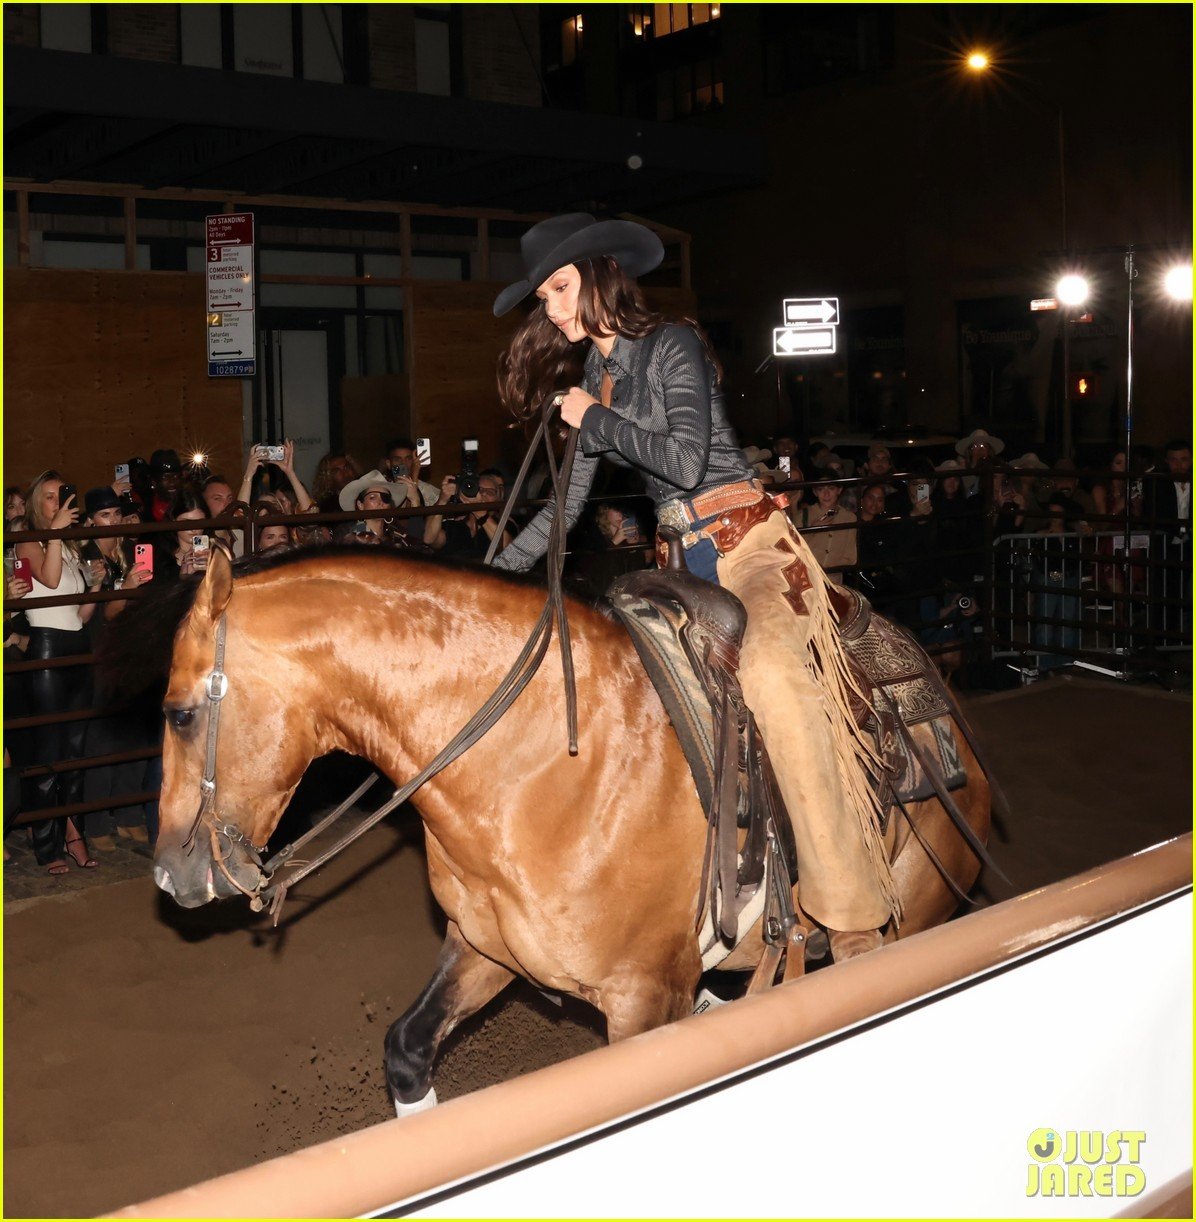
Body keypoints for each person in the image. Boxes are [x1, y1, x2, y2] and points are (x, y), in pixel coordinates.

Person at [489, 212, 897, 961]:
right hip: (678, 565)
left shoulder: (669, 344)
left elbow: (683, 461)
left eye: (558, 287)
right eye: (542, 295)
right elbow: (567, 510)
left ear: (600, 275)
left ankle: (851, 909)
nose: (548, 307)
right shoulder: (593, 377)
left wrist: (597, 420)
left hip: (750, 545)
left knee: (772, 673)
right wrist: (490, 574)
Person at [15, 471, 107, 874]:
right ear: (38, 504)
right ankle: (47, 845)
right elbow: (48, 581)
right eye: (50, 497)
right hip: (47, 646)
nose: (59, 503)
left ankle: (74, 835)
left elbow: (81, 615)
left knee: (75, 753)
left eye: (62, 496)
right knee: (49, 754)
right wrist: (54, 532)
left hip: (76, 647)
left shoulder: (68, 546)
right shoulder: (30, 541)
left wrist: (98, 588)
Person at [424, 470, 513, 559]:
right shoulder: (454, 527)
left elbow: (510, 552)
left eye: (490, 492)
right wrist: (442, 500)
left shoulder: (504, 524)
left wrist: (481, 514)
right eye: (479, 490)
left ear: (498, 499)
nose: (483, 494)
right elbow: (429, 539)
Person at [793, 480, 856, 584]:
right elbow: (795, 547)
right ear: (815, 492)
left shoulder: (849, 517)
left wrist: (829, 569)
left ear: (839, 490)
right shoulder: (803, 515)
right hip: (807, 577)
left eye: (831, 488)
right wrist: (813, 529)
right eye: (821, 489)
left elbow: (851, 556)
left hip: (833, 580)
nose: (826, 494)